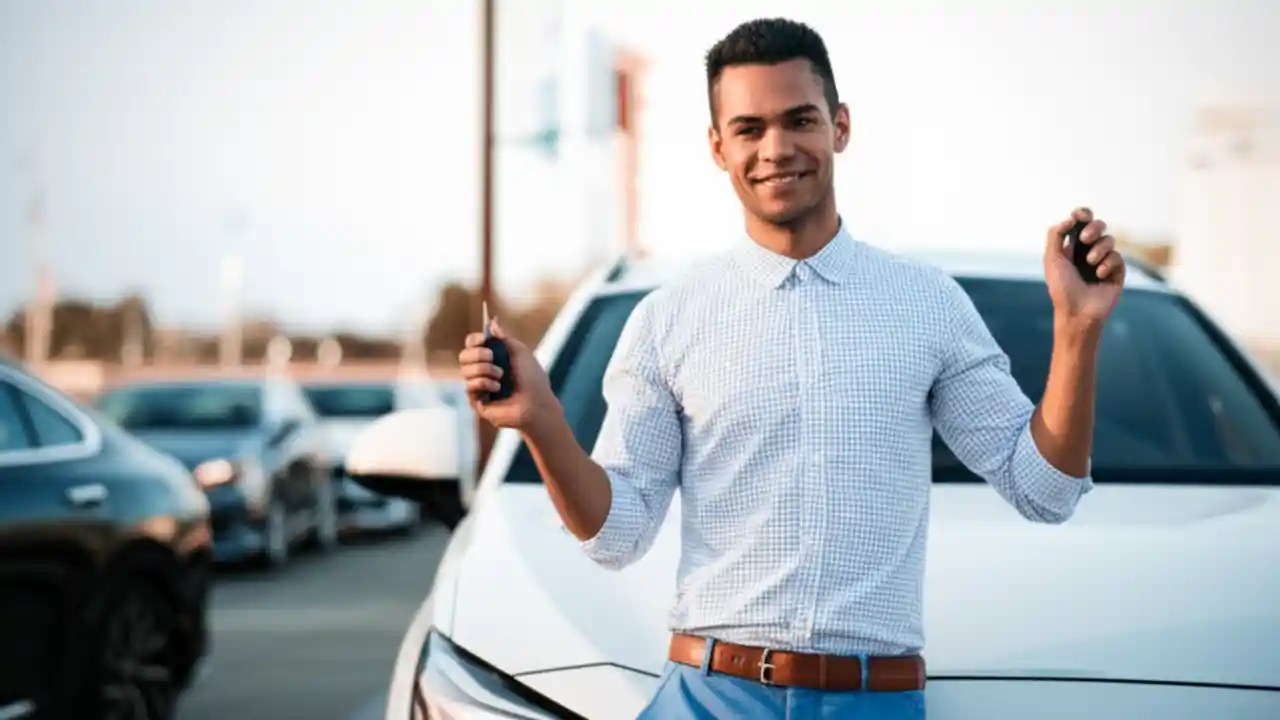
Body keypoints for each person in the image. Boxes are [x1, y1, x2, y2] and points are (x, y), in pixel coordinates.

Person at [459, 17, 1125, 720]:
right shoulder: (668, 318)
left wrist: (1076, 330)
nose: (776, 148)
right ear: (718, 148)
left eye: (798, 120)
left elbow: (1043, 490)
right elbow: (619, 534)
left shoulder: (928, 305)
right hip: (706, 696)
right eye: (748, 128)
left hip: (875, 701)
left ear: (839, 126)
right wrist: (541, 421)